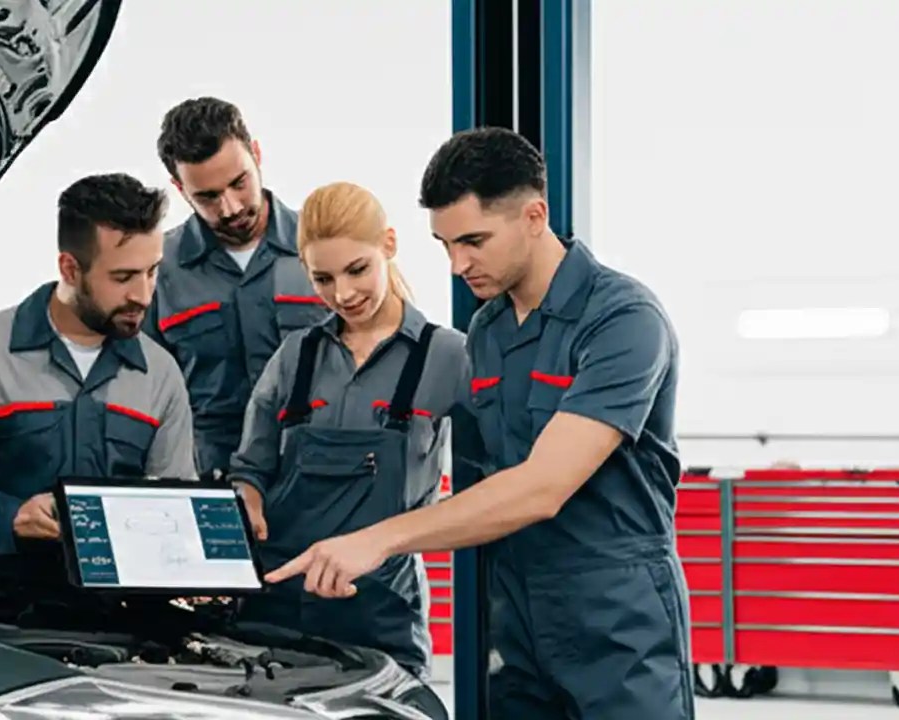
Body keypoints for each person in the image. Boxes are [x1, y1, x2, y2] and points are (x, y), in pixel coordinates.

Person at [265, 128, 691, 719]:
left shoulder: (621, 320)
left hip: (614, 620)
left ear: (534, 215)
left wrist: (379, 538)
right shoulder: (488, 331)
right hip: (514, 620)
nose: (457, 263)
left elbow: (543, 487)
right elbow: (475, 482)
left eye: (473, 241)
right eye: (444, 244)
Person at [0, 173, 197, 579]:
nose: (143, 294)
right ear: (70, 268)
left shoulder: (160, 373)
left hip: (118, 628)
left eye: (152, 271)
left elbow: (177, 508)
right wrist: (8, 518)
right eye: (122, 277)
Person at [228, 181, 466, 682]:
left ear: (389, 245)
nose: (343, 294)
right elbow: (250, 468)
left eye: (358, 270)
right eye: (322, 278)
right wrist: (245, 499)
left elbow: (497, 486)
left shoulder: (448, 357)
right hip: (275, 610)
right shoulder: (295, 356)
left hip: (379, 614)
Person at [146, 97, 329, 482]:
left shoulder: (327, 245)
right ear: (179, 188)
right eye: (208, 197)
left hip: (319, 485)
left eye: (239, 183)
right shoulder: (156, 271)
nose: (229, 208)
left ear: (257, 154)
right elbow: (143, 395)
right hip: (212, 487)